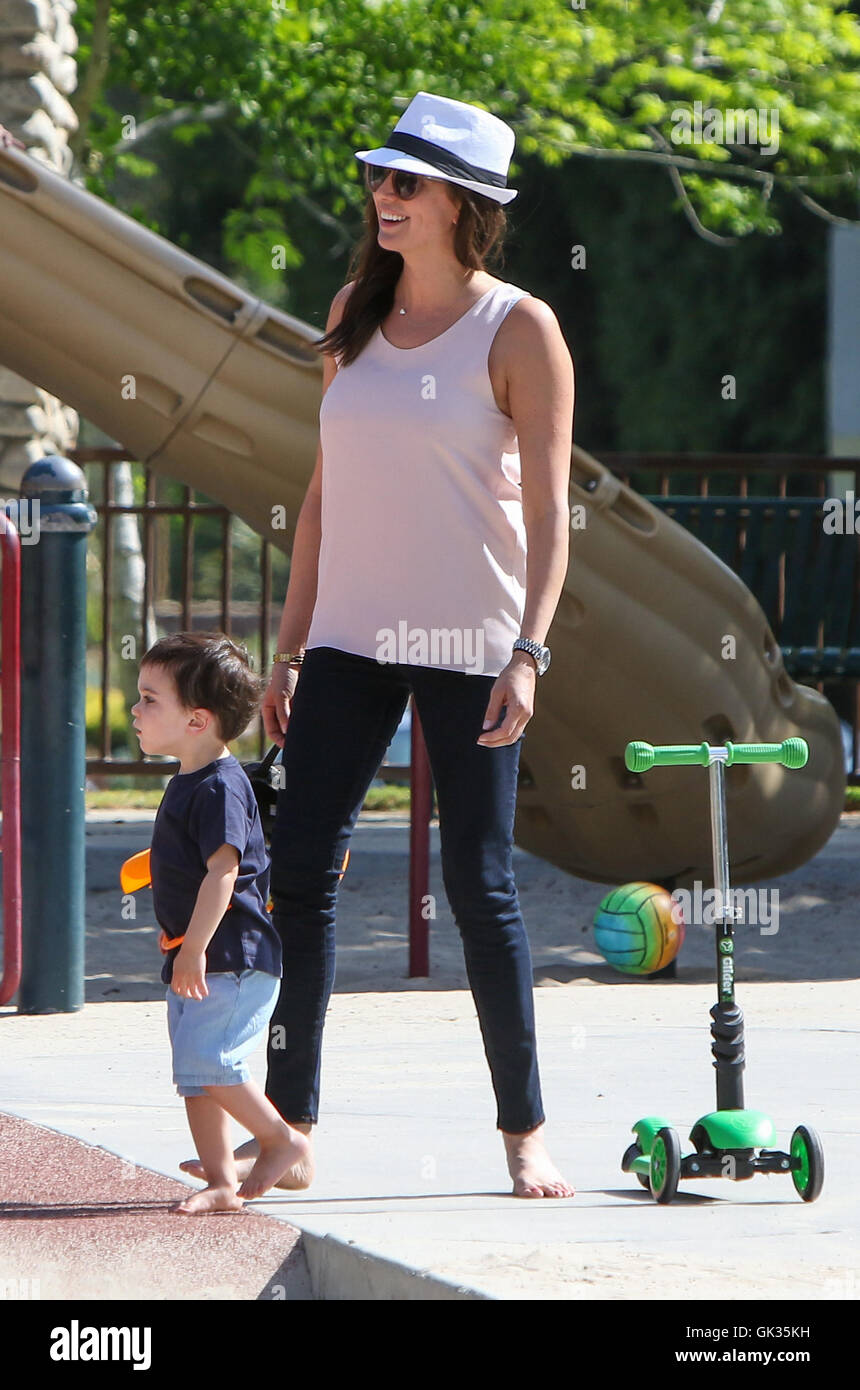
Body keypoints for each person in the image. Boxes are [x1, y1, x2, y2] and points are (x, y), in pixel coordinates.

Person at [183, 90, 576, 1198]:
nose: (381, 195)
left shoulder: (519, 330)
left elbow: (549, 519)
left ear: (462, 203)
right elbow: (320, 499)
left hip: (470, 640)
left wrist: (528, 653)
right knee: (296, 875)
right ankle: (288, 1126)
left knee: (478, 883)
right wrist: (292, 648)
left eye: (405, 181)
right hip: (349, 639)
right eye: (379, 177)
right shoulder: (353, 309)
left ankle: (522, 1133)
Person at [132, 631, 310, 1213]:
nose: (136, 709)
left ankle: (282, 1139)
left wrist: (194, 951)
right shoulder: (191, 778)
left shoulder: (220, 787)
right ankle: (221, 1182)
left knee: (214, 1064)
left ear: (197, 720)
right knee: (196, 1072)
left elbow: (223, 875)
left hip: (231, 955)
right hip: (198, 953)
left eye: (150, 699)